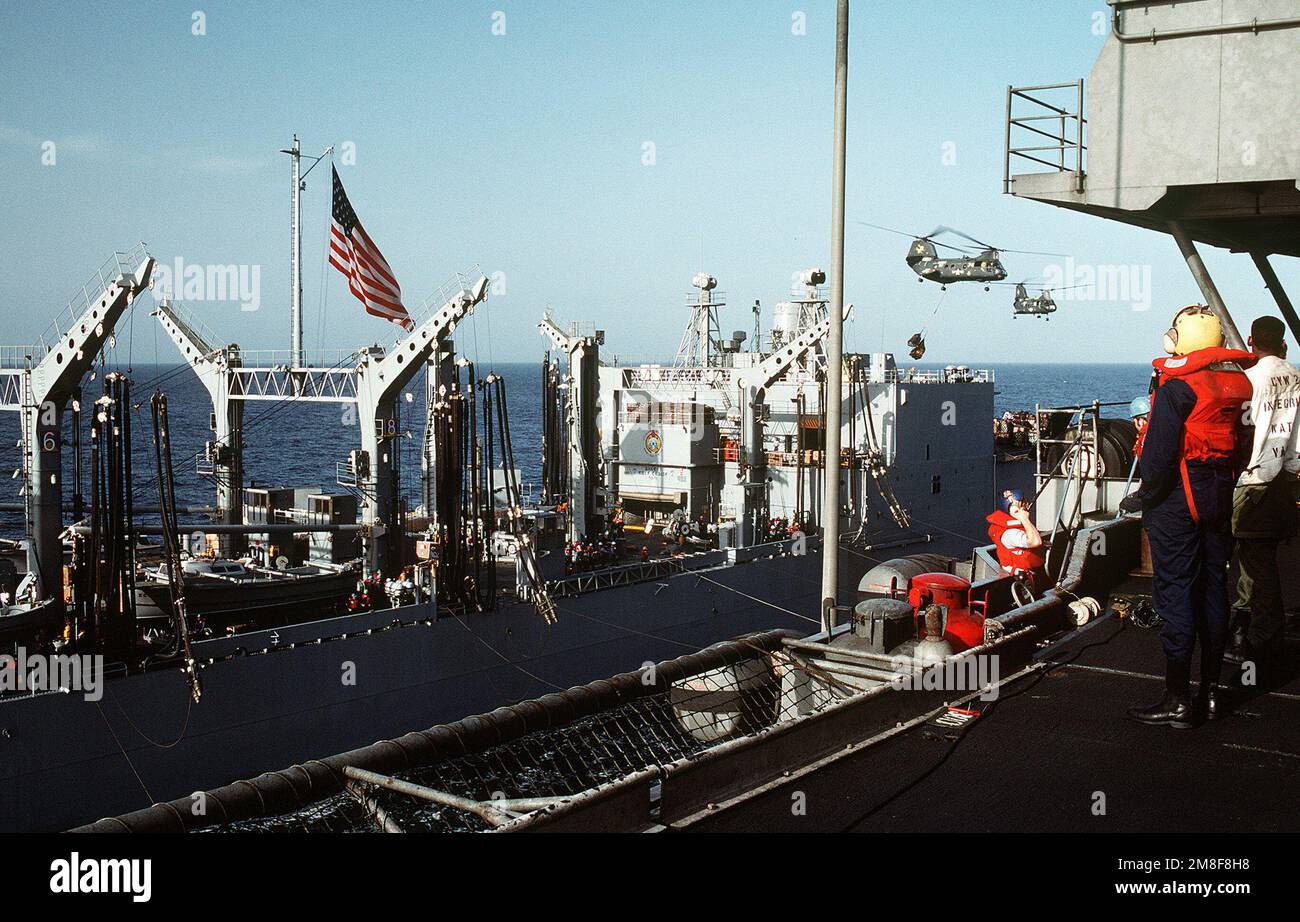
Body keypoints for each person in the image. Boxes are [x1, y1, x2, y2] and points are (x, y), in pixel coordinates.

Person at [1119, 305, 1255, 727]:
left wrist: (1147, 499)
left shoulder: (1178, 388)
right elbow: (1243, 444)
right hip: (1218, 495)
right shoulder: (1238, 384)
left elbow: (1157, 455)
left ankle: (1177, 699)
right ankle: (1211, 694)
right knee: (1214, 589)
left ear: (1185, 338)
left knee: (1176, 595)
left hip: (1177, 503)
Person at [1229, 315, 1300, 673]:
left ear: (1250, 340)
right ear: (1283, 341)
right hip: (1286, 481)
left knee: (1255, 568)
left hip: (1252, 483)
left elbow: (1241, 435)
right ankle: (1247, 633)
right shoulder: (1297, 376)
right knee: (1260, 561)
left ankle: (1259, 642)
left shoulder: (1247, 380)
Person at [986, 489, 1046, 584]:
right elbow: (1035, 542)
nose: (1026, 506)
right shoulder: (1010, 533)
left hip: (1033, 574)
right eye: (1022, 505)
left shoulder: (1015, 527)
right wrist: (1024, 518)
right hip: (1022, 580)